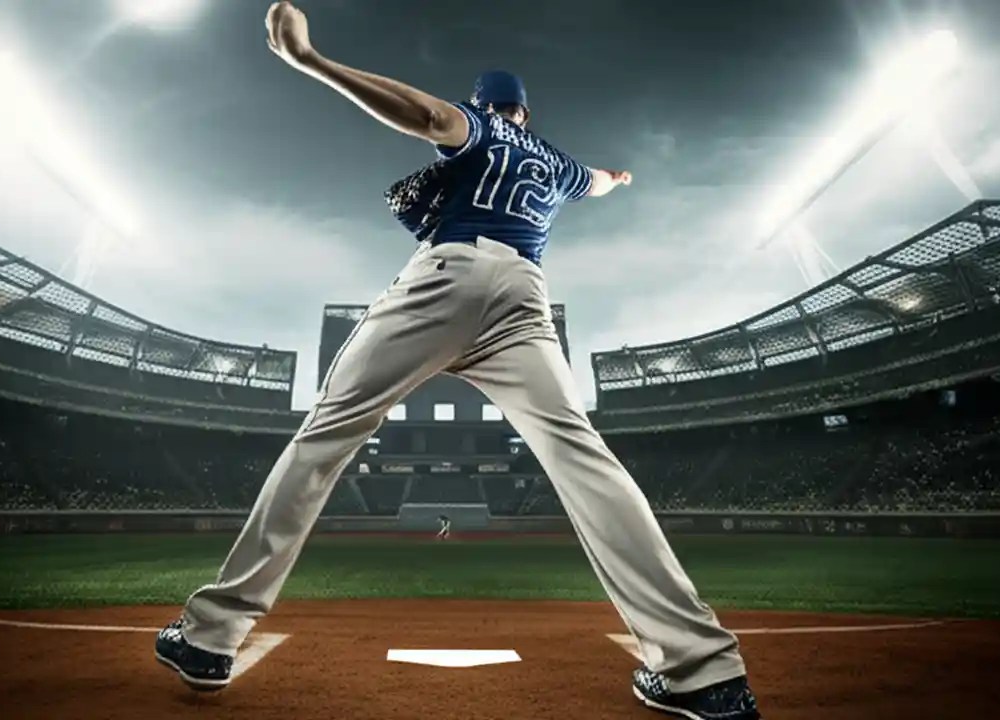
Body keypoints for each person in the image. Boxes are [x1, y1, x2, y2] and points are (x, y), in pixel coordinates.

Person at [156, 3, 759, 718]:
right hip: (526, 301)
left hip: (449, 277)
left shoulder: (482, 128)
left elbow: (421, 114)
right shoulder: (558, 164)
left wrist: (311, 62)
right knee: (585, 461)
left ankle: (212, 635)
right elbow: (597, 179)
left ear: (488, 107)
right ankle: (704, 669)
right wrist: (618, 180)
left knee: (326, 437)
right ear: (527, 112)